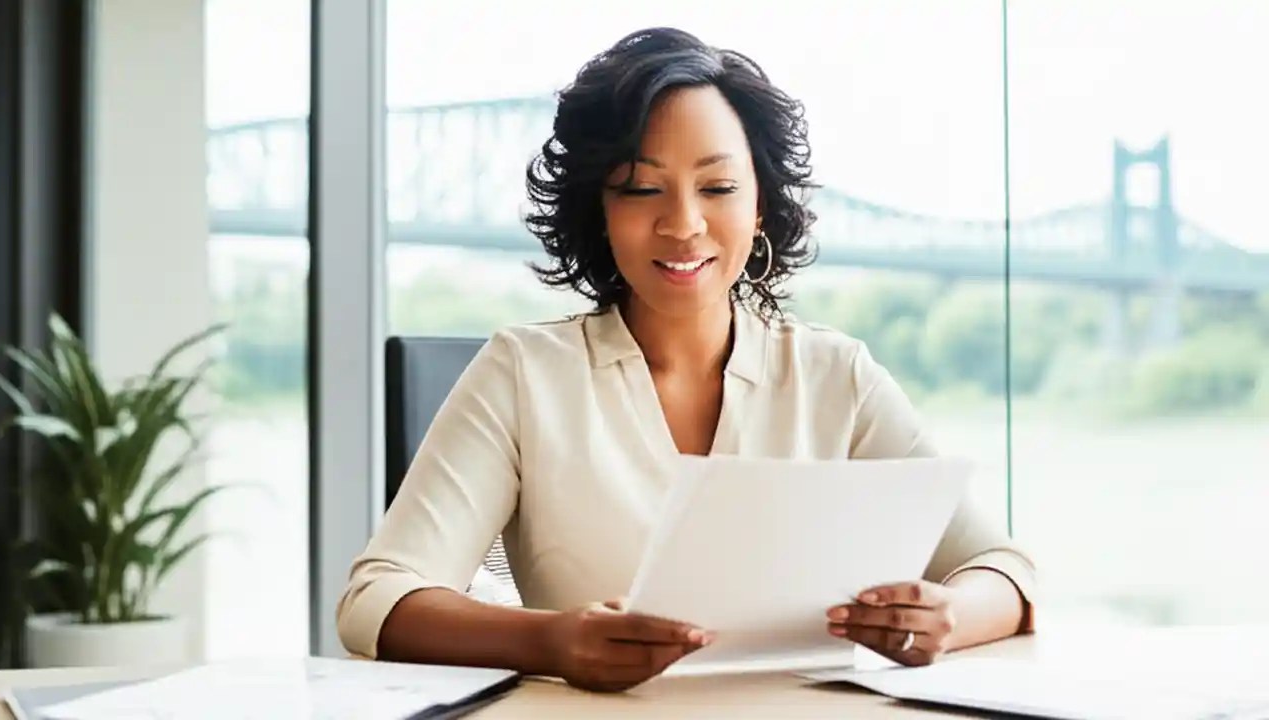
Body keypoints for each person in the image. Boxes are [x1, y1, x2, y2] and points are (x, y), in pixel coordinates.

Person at [337, 27, 1035, 693]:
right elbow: (378, 598)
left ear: (759, 205)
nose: (683, 224)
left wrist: (943, 619)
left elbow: (1003, 573)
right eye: (642, 189)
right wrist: (550, 641)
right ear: (600, 211)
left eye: (718, 188)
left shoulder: (835, 375)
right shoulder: (524, 373)